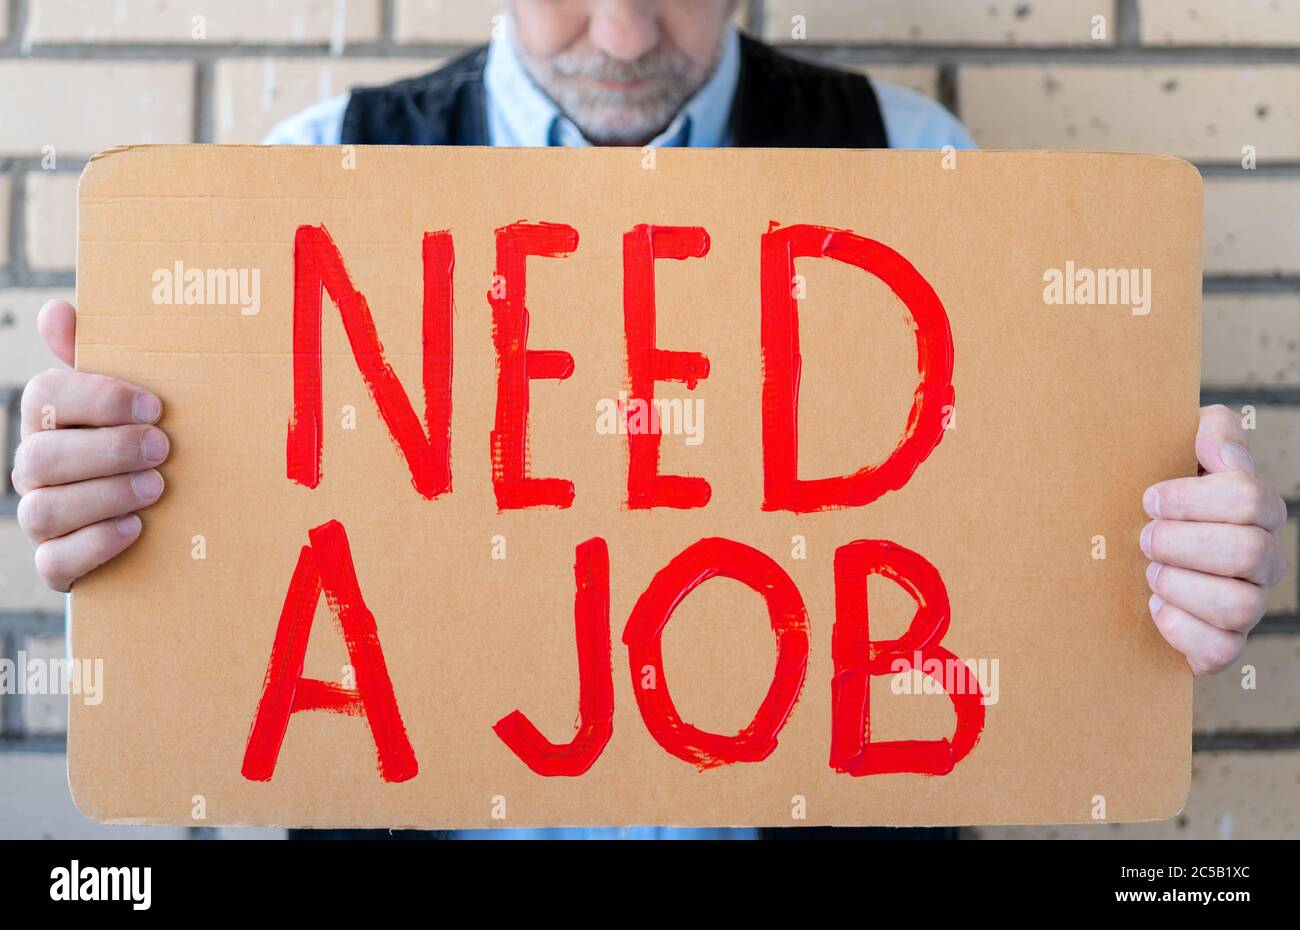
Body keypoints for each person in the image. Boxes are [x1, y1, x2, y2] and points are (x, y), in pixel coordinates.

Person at [12, 0, 1287, 840]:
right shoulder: (294, 180)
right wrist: (113, 520)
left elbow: (1025, 565)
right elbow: (230, 610)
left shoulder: (920, 164)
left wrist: (1172, 562)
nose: (622, 34)